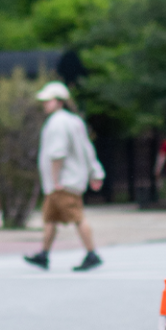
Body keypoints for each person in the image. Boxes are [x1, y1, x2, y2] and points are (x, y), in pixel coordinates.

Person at [24, 82, 105, 272]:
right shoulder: (74, 120)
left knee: (77, 216)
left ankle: (92, 253)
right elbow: (87, 148)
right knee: (50, 218)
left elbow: (57, 153)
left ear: (60, 101)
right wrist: (95, 172)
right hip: (64, 181)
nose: (45, 104)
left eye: (48, 100)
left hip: (62, 182)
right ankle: (43, 254)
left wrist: (56, 179)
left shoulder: (57, 123)